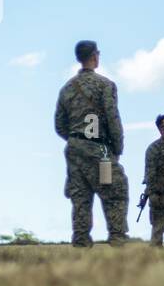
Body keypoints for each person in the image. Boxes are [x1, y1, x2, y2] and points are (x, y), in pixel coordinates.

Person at [54, 40, 129, 247]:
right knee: (114, 193)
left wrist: (77, 140)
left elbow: (60, 125)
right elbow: (113, 119)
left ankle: (80, 244)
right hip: (102, 154)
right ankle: (117, 240)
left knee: (81, 200)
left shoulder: (66, 89)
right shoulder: (105, 85)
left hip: (75, 153)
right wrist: (117, 148)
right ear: (95, 56)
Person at [143, 115, 164, 246]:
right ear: (160, 129)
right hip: (160, 198)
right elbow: (150, 175)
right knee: (157, 235)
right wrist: (153, 195)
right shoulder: (153, 149)